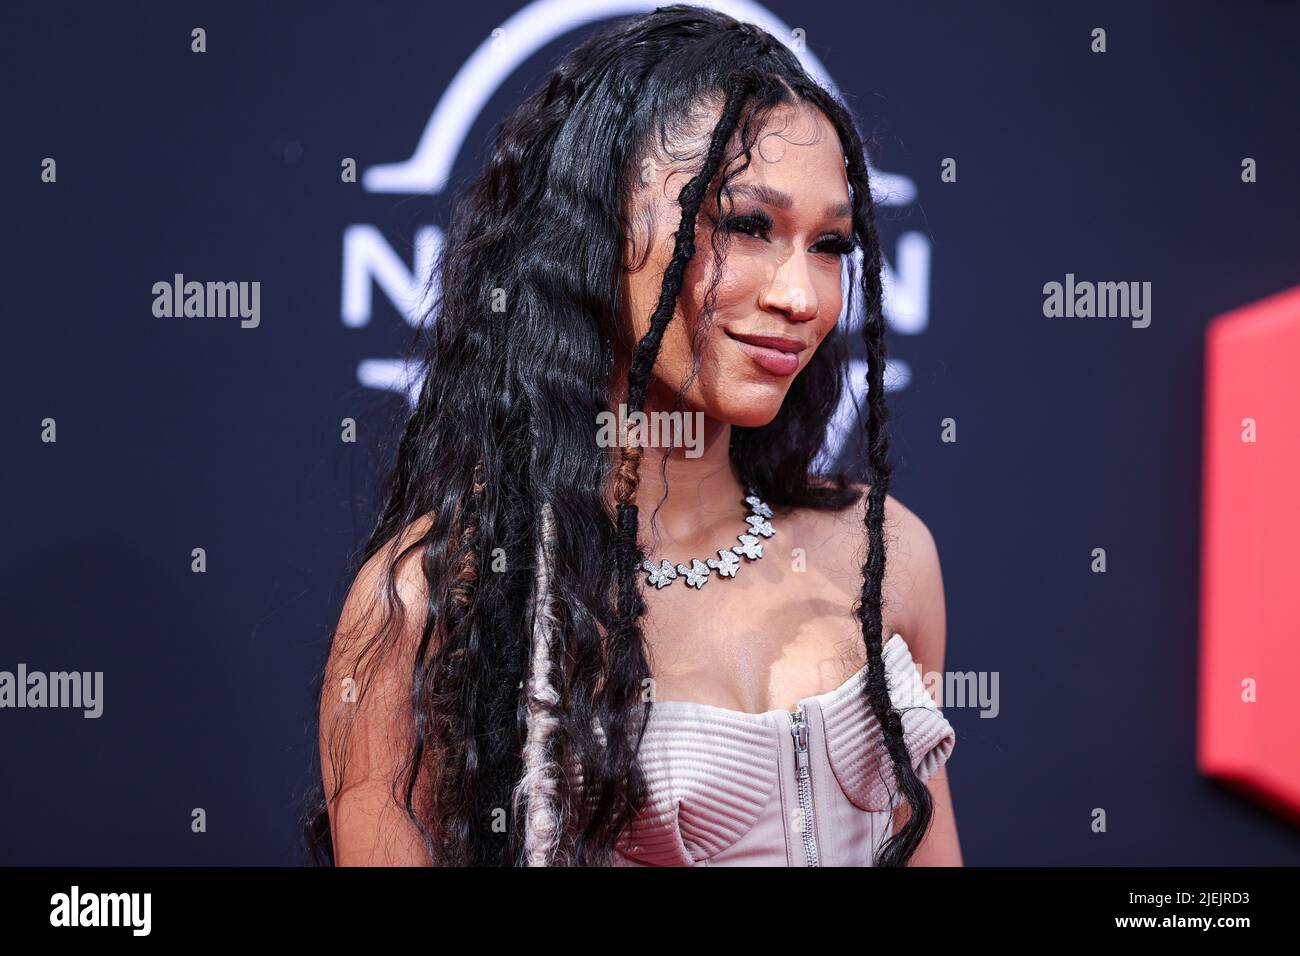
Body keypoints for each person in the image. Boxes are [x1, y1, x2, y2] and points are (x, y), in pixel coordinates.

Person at [304, 4, 959, 867]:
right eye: (745, 225)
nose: (803, 297)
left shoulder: (883, 555)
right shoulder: (439, 603)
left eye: (831, 243)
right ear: (593, 231)